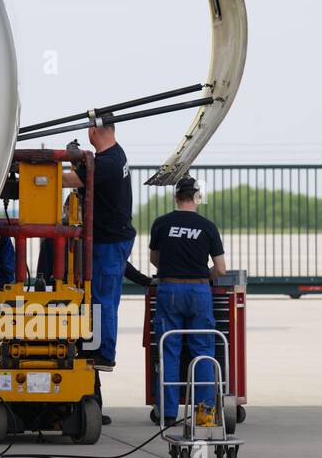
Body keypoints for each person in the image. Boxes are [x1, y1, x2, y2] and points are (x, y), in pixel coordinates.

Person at [149, 176, 227, 425]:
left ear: (176, 197)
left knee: (169, 350)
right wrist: (206, 275)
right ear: (196, 197)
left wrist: (172, 269)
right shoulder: (207, 226)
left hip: (169, 290)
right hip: (199, 292)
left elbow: (154, 259)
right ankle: (205, 415)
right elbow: (222, 269)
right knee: (203, 351)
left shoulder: (161, 224)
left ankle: (169, 414)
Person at [63, 122, 136, 371]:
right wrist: (81, 162)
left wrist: (40, 175)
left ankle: (105, 353)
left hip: (110, 241)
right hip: (112, 238)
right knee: (101, 296)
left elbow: (72, 181)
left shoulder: (108, 164)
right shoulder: (115, 154)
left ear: (93, 131)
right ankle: (94, 345)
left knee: (104, 298)